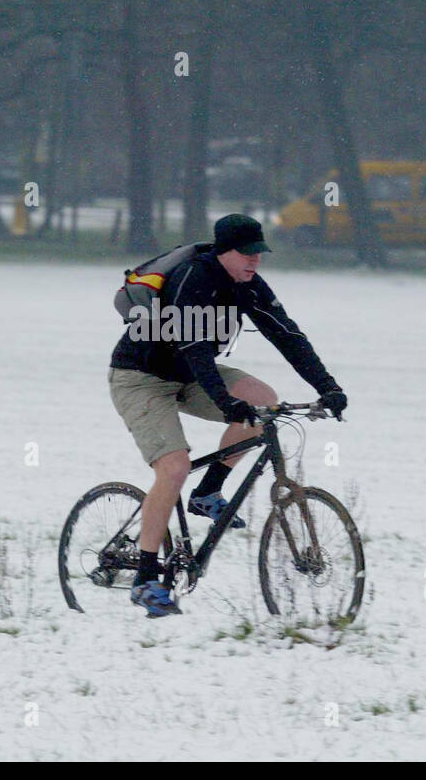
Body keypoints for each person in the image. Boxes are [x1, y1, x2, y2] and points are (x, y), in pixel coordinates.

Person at [107, 213, 347, 617]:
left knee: (264, 401)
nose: (255, 261)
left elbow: (287, 335)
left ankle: (208, 492)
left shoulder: (248, 285)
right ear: (223, 251)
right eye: (247, 253)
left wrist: (328, 386)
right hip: (141, 378)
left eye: (260, 253)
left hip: (190, 375)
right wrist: (223, 400)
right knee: (174, 467)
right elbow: (195, 348)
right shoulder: (191, 280)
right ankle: (146, 577)